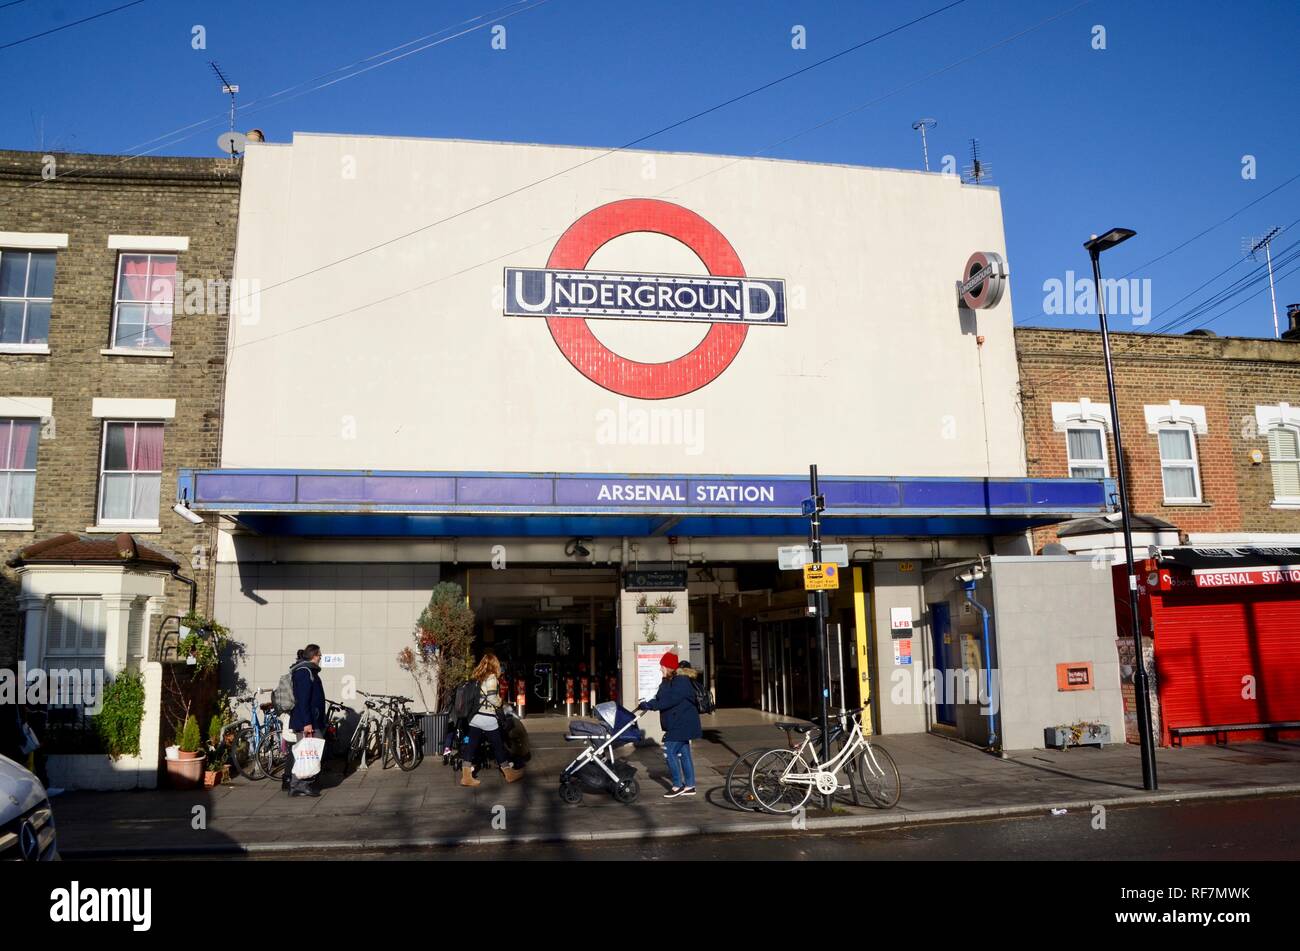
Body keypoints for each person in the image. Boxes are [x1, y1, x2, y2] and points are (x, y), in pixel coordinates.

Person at [638, 652, 701, 798]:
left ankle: (678, 786)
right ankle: (690, 786)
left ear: (669, 667)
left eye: (662, 667)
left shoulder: (681, 681)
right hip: (680, 723)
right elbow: (662, 696)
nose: (660, 669)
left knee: (670, 751)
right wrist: (648, 704)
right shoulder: (671, 680)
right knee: (684, 753)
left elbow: (669, 700)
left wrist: (651, 706)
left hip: (682, 724)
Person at [460, 652, 523, 787]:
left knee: (471, 747)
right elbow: (492, 698)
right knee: (498, 747)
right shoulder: (492, 677)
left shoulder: (477, 677)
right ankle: (509, 774)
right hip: (488, 718)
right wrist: (501, 702)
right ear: (494, 664)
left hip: (475, 718)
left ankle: (466, 776)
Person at [285, 644, 326, 797]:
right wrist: (307, 723)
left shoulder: (309, 671)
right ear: (313, 655)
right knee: (309, 753)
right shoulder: (304, 672)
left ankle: (297, 785)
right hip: (307, 722)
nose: (321, 657)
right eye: (319, 655)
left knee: (308, 753)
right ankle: (299, 784)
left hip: (311, 720)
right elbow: (302, 700)